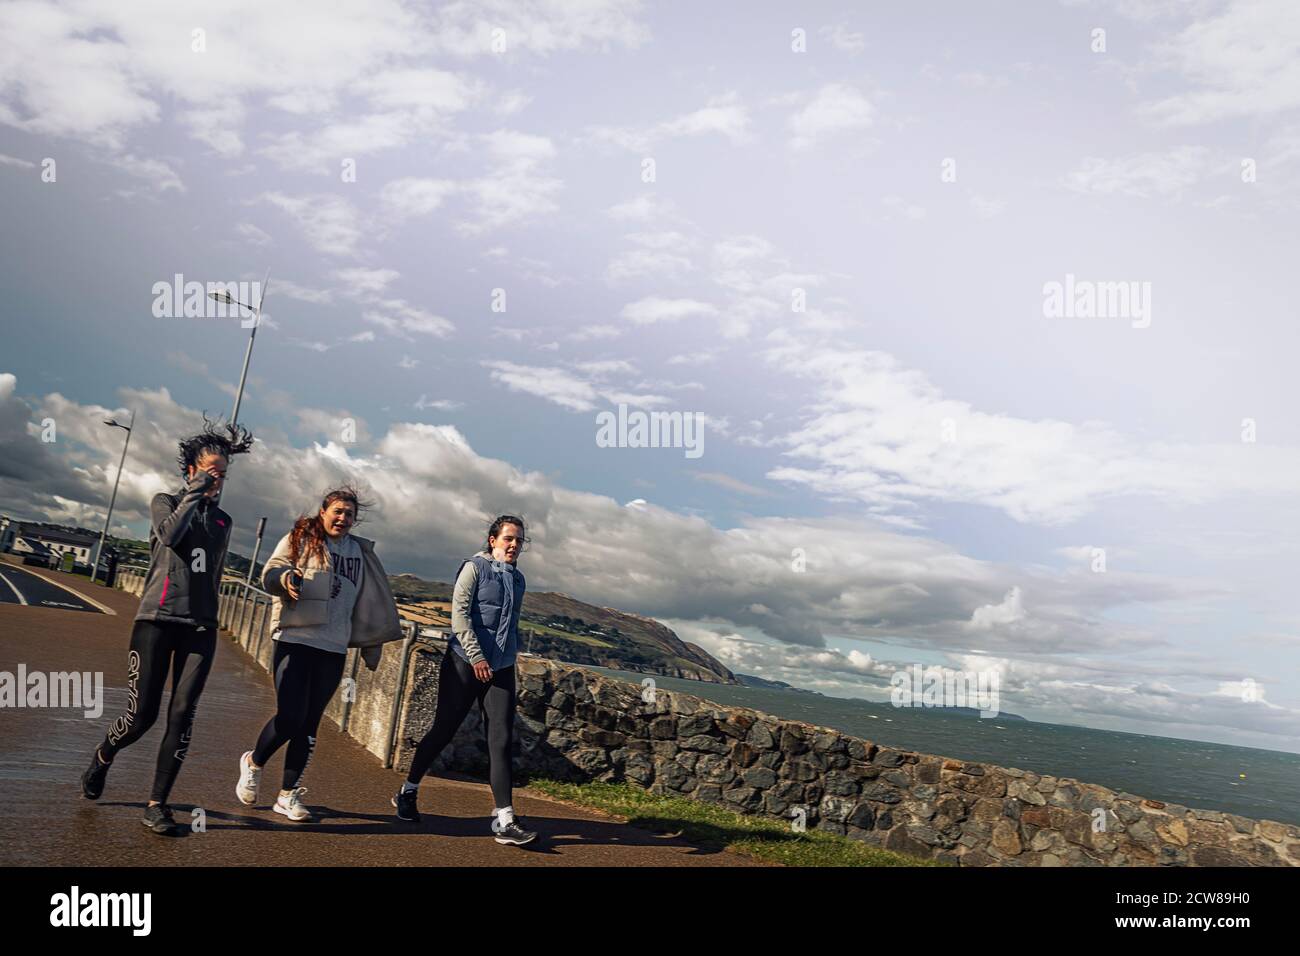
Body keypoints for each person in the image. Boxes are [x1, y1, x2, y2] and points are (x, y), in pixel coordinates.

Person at [80, 419, 254, 836]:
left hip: (200, 628)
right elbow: (171, 536)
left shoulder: (223, 522)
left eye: (223, 476)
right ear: (190, 470)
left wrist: (210, 614)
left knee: (183, 714)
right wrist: (195, 493)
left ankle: (157, 804)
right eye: (211, 472)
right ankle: (103, 756)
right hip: (155, 622)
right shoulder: (163, 502)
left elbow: (211, 573)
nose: (218, 482)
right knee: (142, 716)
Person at [235, 486, 403, 822]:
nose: (343, 518)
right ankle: (253, 763)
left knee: (310, 724)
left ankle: (287, 794)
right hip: (295, 639)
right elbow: (269, 573)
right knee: (289, 717)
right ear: (324, 511)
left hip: (333, 646)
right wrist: (285, 579)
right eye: (337, 511)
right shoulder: (300, 538)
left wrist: (372, 643)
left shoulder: (360, 552)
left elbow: (371, 601)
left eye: (349, 514)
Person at [393, 515, 536, 846]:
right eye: (508, 539)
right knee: (443, 730)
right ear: (492, 540)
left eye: (519, 540)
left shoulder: (518, 580)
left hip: (500, 668)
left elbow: (510, 625)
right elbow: (460, 616)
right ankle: (408, 790)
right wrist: (477, 657)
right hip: (464, 663)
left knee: (500, 740)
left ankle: (504, 820)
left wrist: (507, 658)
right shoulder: (474, 569)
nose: (514, 545)